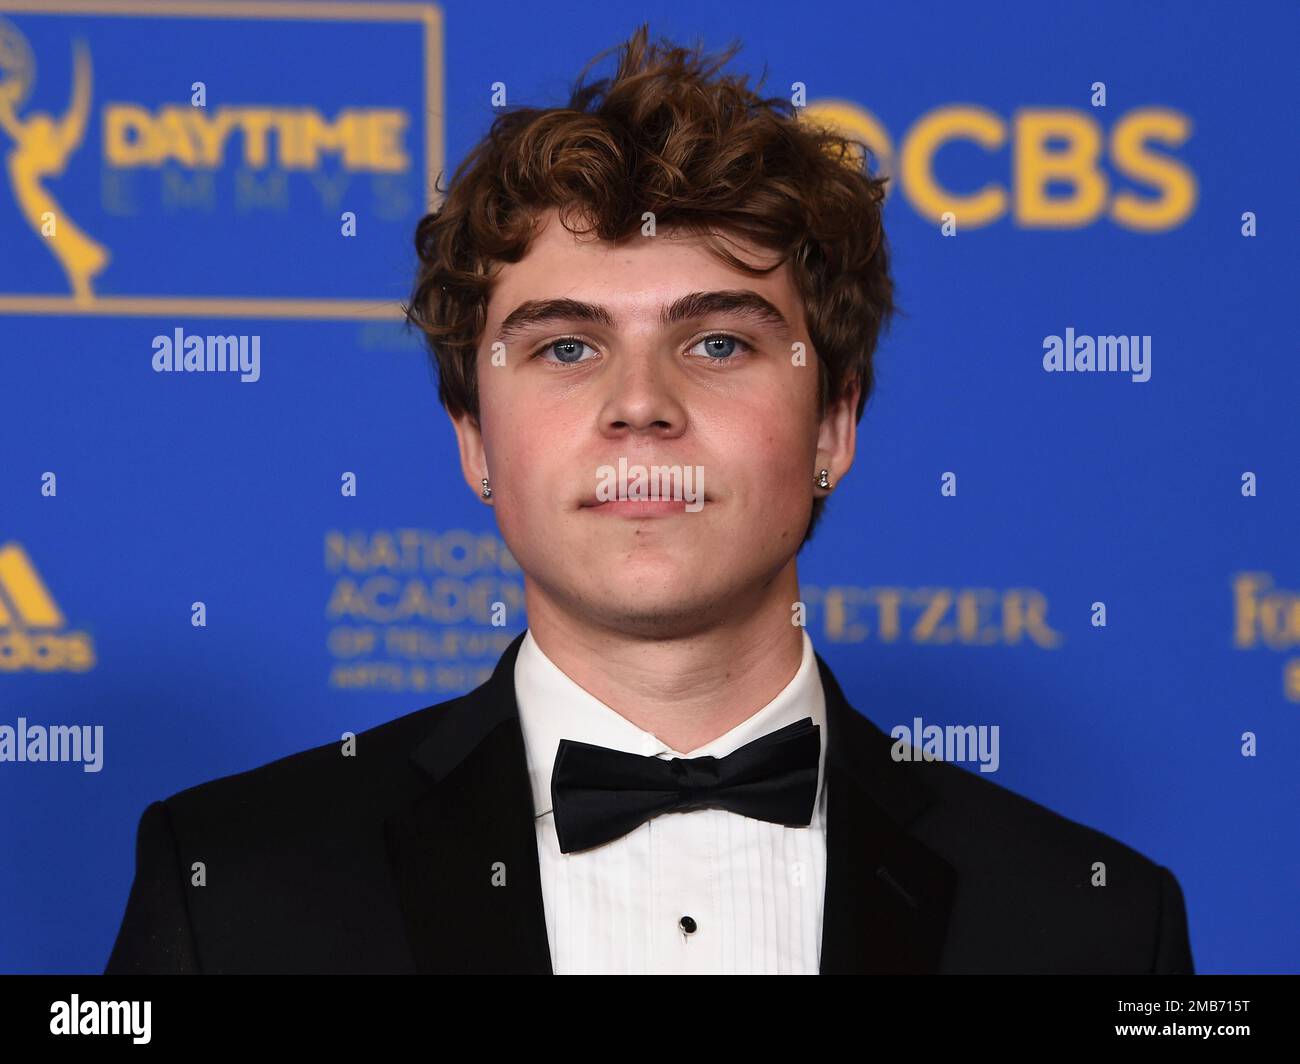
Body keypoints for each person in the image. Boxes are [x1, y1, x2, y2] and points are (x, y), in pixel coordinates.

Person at [105, 25, 1193, 974]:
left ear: (832, 423)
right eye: (567, 346)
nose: (640, 404)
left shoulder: (1090, 918)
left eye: (717, 340)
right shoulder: (230, 887)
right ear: (475, 437)